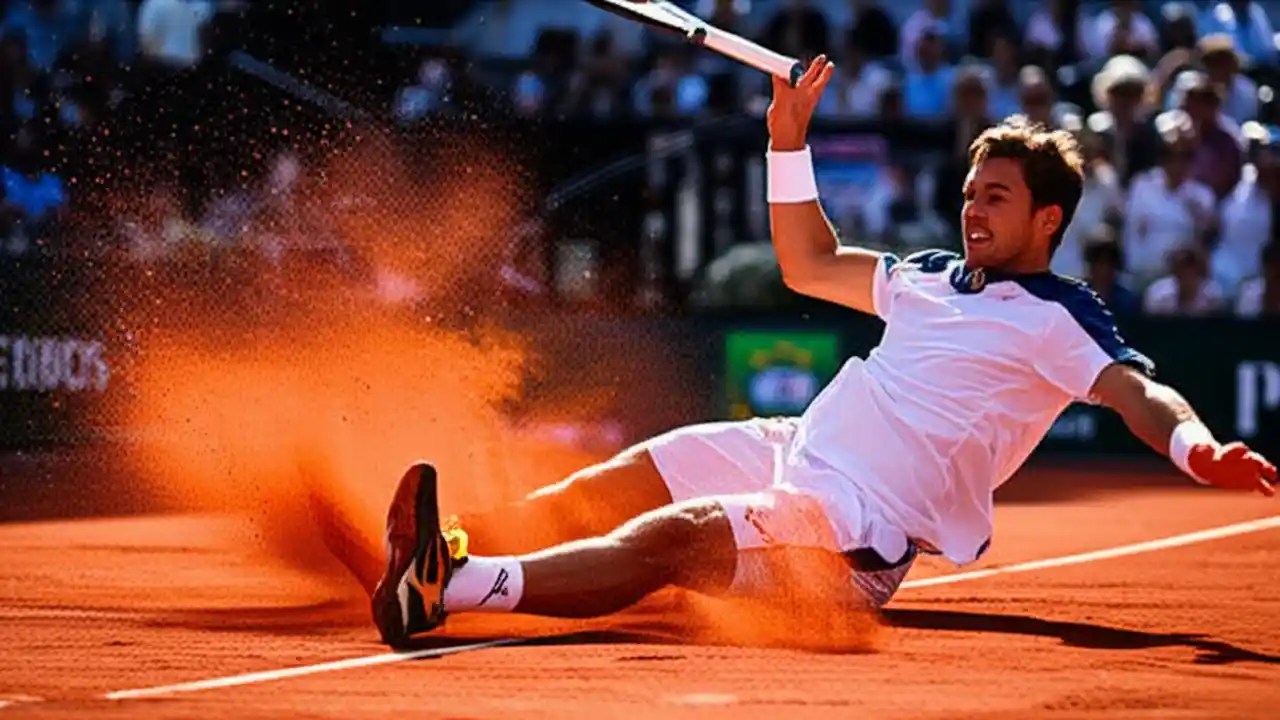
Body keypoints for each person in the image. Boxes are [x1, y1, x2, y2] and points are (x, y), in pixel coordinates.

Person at [368, 58, 1277, 648]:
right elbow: (807, 263)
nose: (973, 209)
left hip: (856, 530)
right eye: (969, 192)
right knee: (621, 481)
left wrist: (1200, 449)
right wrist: (786, 142)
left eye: (995, 197)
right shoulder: (925, 274)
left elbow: (1134, 395)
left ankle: (456, 589)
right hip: (792, 447)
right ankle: (440, 546)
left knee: (675, 540)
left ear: (1048, 218)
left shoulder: (1060, 315)